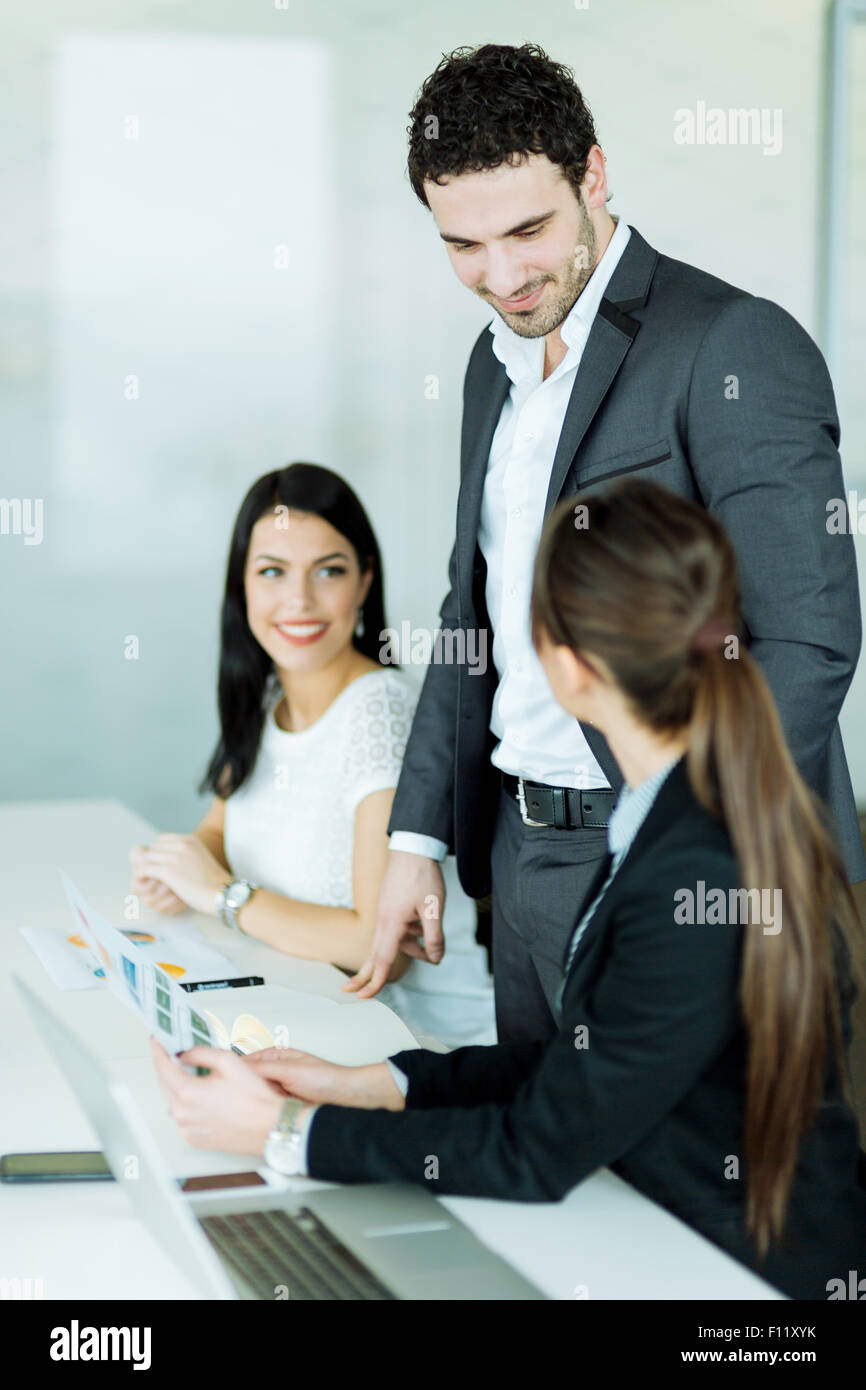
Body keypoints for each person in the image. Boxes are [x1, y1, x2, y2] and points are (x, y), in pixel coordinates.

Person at [152, 478, 866, 1302]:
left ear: (563, 663)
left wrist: (289, 1133)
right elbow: (583, 1064)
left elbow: (538, 1149)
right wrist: (376, 1083)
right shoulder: (672, 811)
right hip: (671, 1240)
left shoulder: (694, 865)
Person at [344, 41, 865, 1044]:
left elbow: (807, 642)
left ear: (591, 174)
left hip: (697, 871)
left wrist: (676, 851)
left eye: (527, 230)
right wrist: (415, 838)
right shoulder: (488, 364)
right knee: (543, 1181)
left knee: (702, 1197)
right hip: (524, 862)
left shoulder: (729, 344)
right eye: (462, 245)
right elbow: (473, 613)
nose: (500, 275)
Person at [131, 462, 495, 1048]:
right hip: (301, 1020)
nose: (299, 600)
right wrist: (179, 867)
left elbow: (373, 948)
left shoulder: (380, 710)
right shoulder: (268, 696)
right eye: (272, 571)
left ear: (365, 581)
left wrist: (221, 896)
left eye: (329, 571)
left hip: (409, 1044)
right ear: (241, 585)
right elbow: (217, 836)